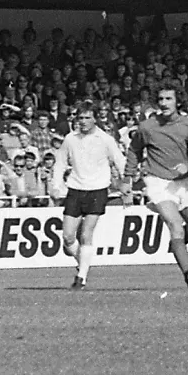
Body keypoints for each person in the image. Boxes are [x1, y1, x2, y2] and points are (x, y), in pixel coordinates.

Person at [131, 86, 188, 291]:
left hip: (185, 182)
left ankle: (177, 246)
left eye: (168, 98)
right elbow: (134, 150)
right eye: (161, 99)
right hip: (158, 182)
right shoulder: (147, 127)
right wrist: (127, 177)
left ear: (177, 101)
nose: (164, 103)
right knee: (175, 225)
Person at [54, 101, 126, 289]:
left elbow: (120, 161)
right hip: (76, 189)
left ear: (95, 119)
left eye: (87, 118)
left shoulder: (105, 139)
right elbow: (60, 162)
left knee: (86, 233)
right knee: (68, 237)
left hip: (97, 190)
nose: (83, 121)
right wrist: (56, 185)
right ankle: (83, 265)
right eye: (81, 118)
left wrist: (127, 185)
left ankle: (82, 278)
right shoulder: (70, 139)